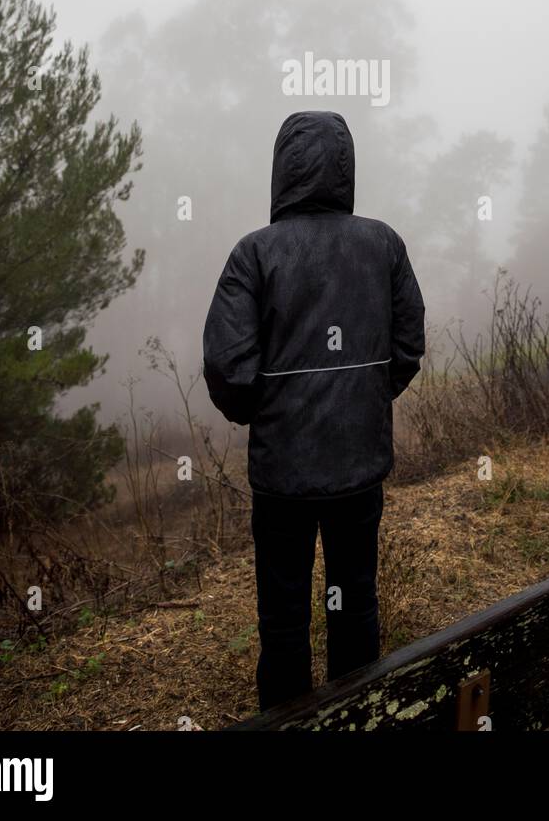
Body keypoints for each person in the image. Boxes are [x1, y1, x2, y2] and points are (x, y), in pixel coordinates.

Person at [202, 109, 425, 712]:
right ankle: (358, 717)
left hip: (282, 480)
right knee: (356, 600)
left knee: (283, 615)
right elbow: (407, 349)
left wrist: (271, 415)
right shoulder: (383, 244)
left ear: (282, 169)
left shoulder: (254, 254)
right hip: (359, 467)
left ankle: (287, 721)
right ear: (346, 168)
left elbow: (228, 368)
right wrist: (361, 401)